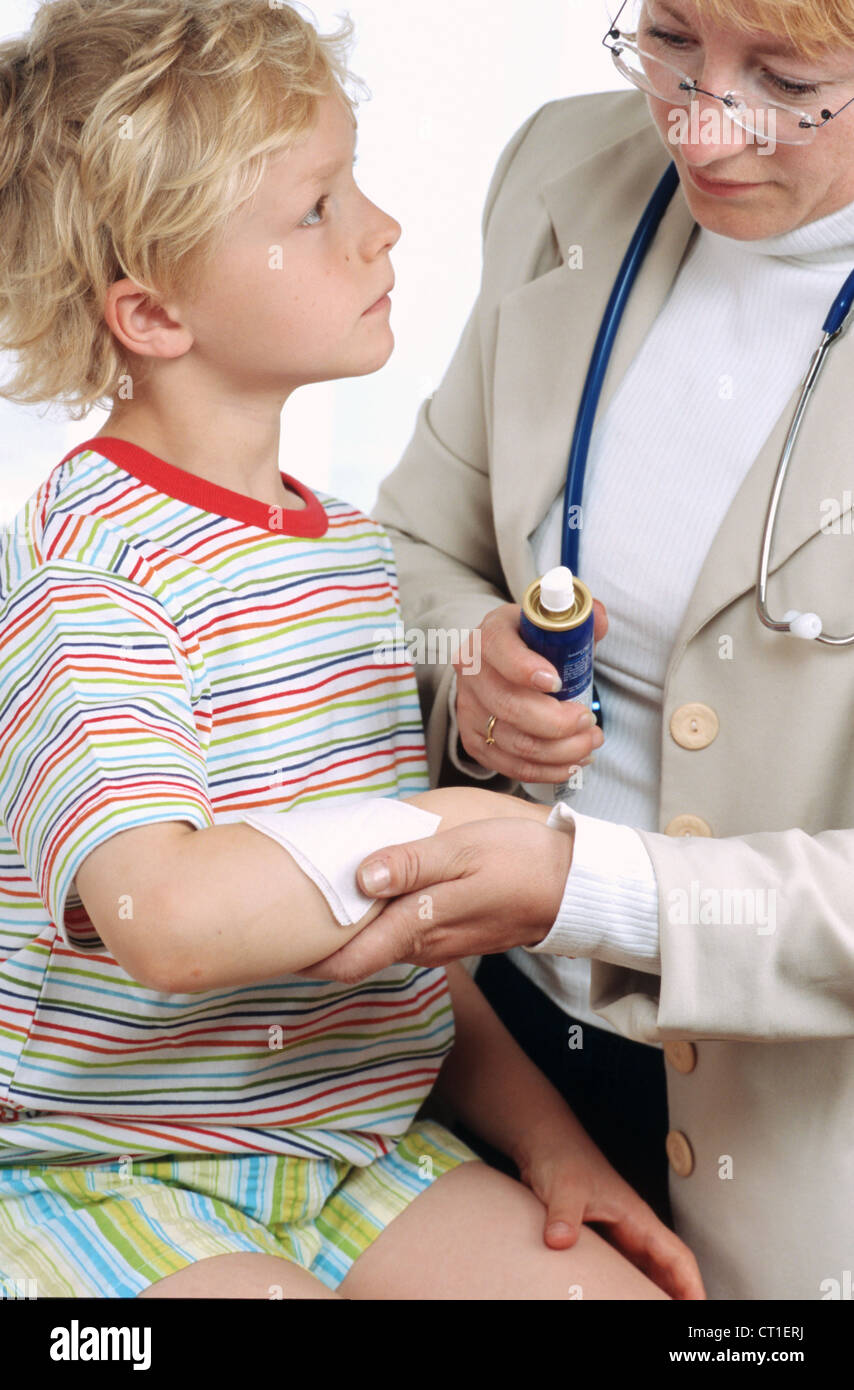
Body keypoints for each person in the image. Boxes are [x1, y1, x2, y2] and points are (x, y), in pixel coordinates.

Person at [0, 0, 704, 1301]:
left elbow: (404, 957)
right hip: (115, 1172)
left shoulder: (345, 550)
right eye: (316, 208)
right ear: (153, 313)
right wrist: (458, 830)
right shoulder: (88, 576)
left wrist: (555, 1149)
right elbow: (170, 922)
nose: (380, 227)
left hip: (354, 1149)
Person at [304, 0, 854, 1300]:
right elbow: (413, 552)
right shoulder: (564, 169)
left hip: (784, 1142)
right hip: (481, 1043)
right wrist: (469, 665)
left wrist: (593, 886)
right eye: (667, 39)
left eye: (784, 79)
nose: (699, 124)